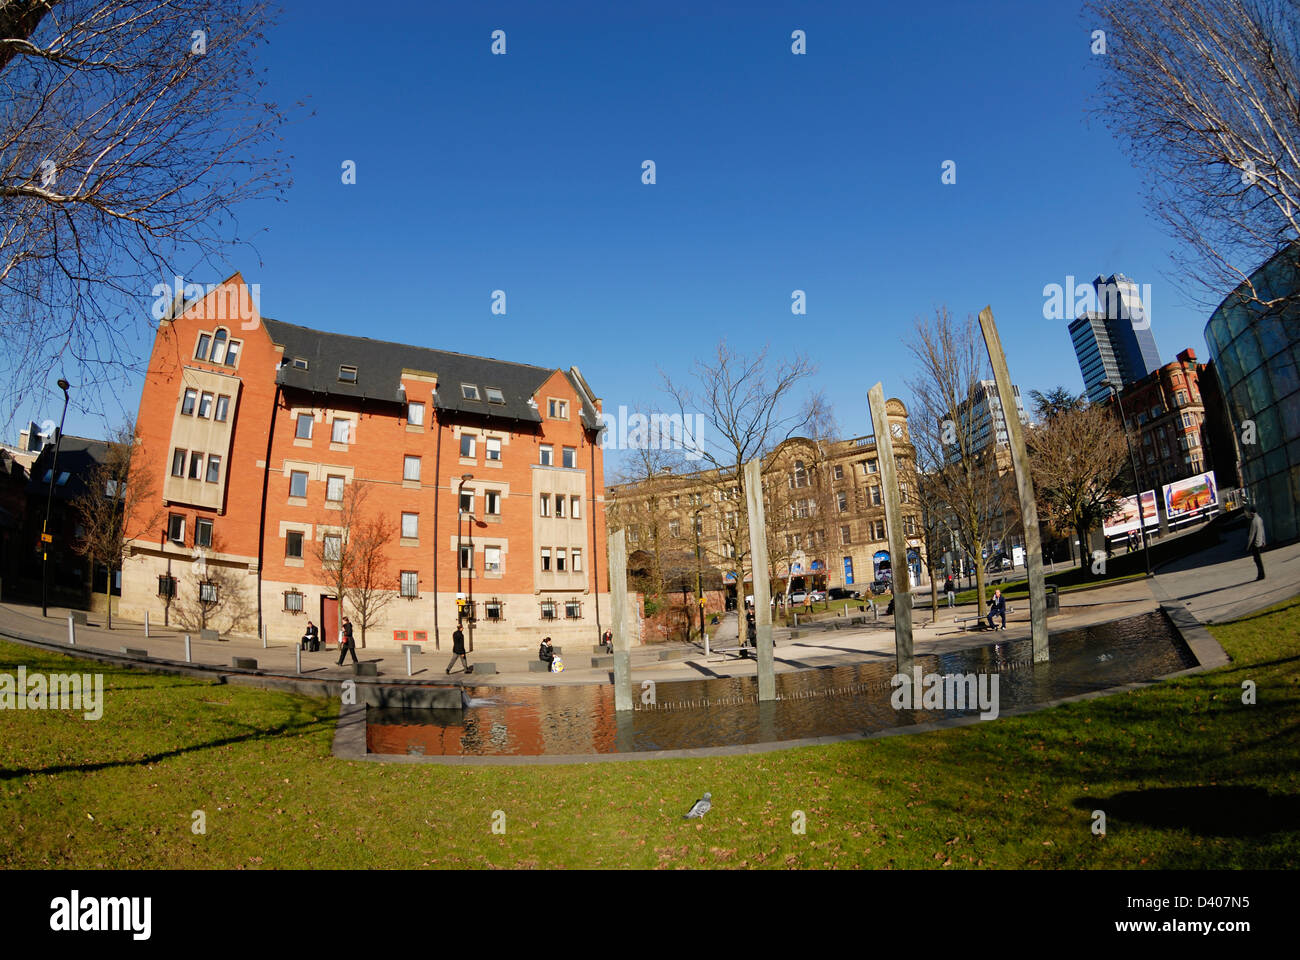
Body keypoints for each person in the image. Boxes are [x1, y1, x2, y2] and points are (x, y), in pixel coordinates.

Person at [1244, 505, 1267, 581]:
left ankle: (1261, 575)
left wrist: (1247, 547)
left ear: (1252, 512)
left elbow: (1251, 535)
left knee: (1257, 560)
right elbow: (1263, 531)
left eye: (1250, 512)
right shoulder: (1260, 519)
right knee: (1258, 560)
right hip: (1260, 542)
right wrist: (1264, 541)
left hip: (1255, 544)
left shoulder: (1254, 521)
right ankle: (1261, 574)